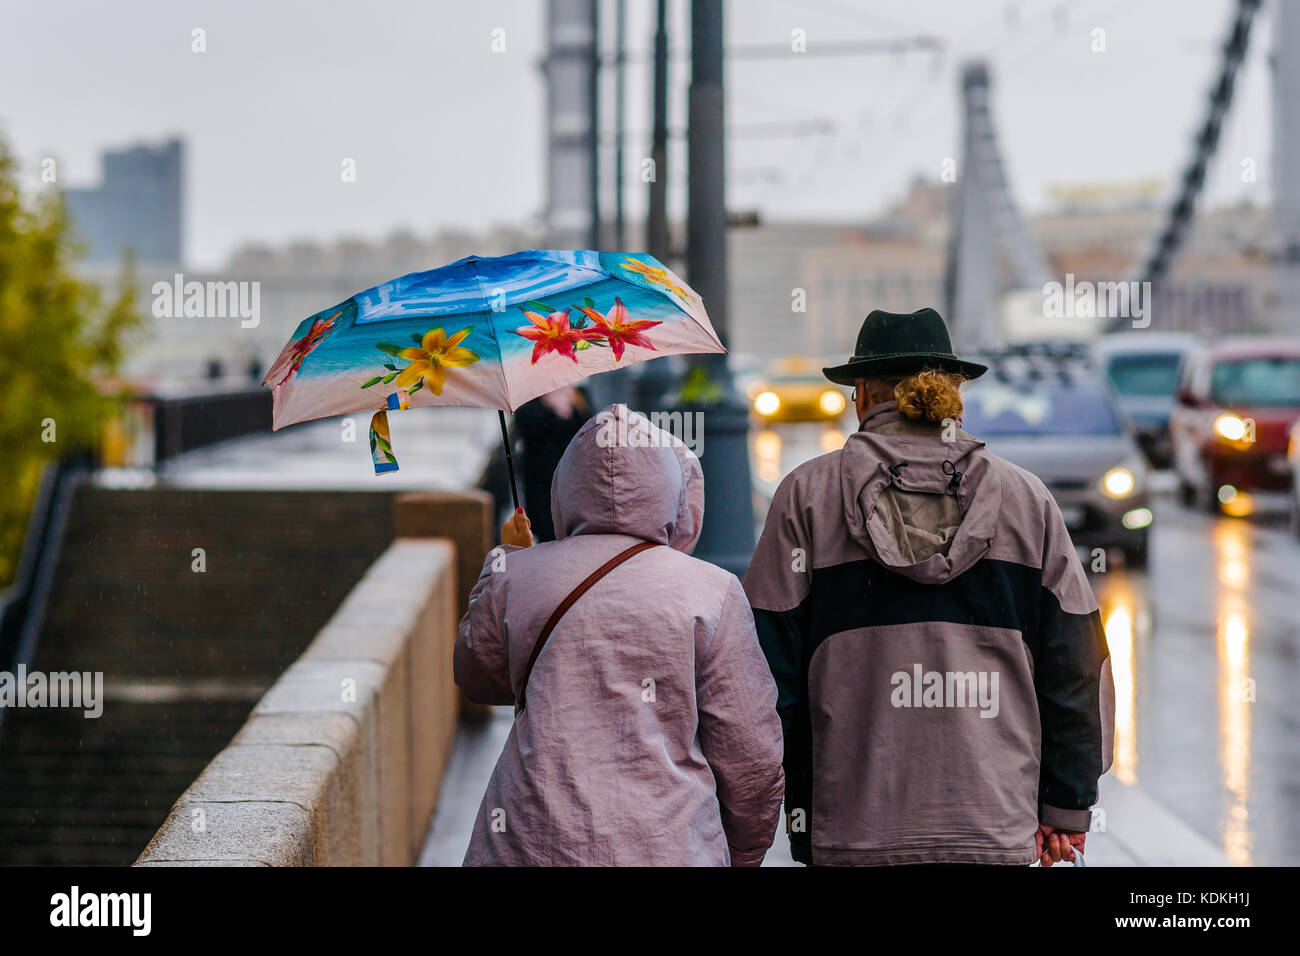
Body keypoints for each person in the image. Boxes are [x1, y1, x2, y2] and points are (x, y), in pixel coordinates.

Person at [743, 307, 1115, 867]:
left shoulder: (806, 497)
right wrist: (1064, 808)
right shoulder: (1026, 499)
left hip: (851, 830)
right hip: (993, 825)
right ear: (955, 394)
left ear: (864, 394)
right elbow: (1077, 668)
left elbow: (768, 680)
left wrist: (776, 816)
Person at [455, 403, 785, 866]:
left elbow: (479, 679)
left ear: (567, 486)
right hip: (666, 844)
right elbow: (748, 747)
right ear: (671, 488)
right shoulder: (712, 590)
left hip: (530, 840)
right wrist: (746, 849)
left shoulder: (517, 574)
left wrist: (506, 560)